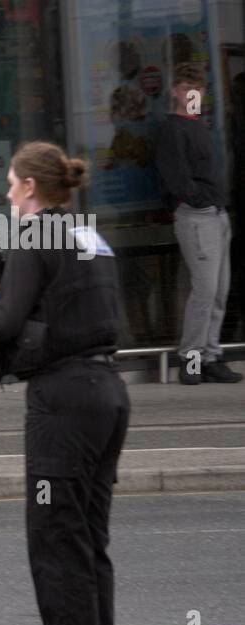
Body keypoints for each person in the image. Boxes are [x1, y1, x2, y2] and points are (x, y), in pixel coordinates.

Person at [0, 142, 130, 625]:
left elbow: (6, 322)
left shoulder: (31, 235)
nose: (5, 193)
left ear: (29, 186)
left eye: (9, 183)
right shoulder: (87, 234)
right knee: (87, 536)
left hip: (64, 400)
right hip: (108, 393)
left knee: (54, 536)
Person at [155, 63, 242, 385]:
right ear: (175, 92)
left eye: (199, 88)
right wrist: (200, 200)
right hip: (198, 217)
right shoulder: (172, 128)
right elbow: (176, 178)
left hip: (217, 216)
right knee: (204, 291)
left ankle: (211, 356)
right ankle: (190, 361)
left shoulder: (199, 125)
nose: (194, 93)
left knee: (219, 292)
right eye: (186, 87)